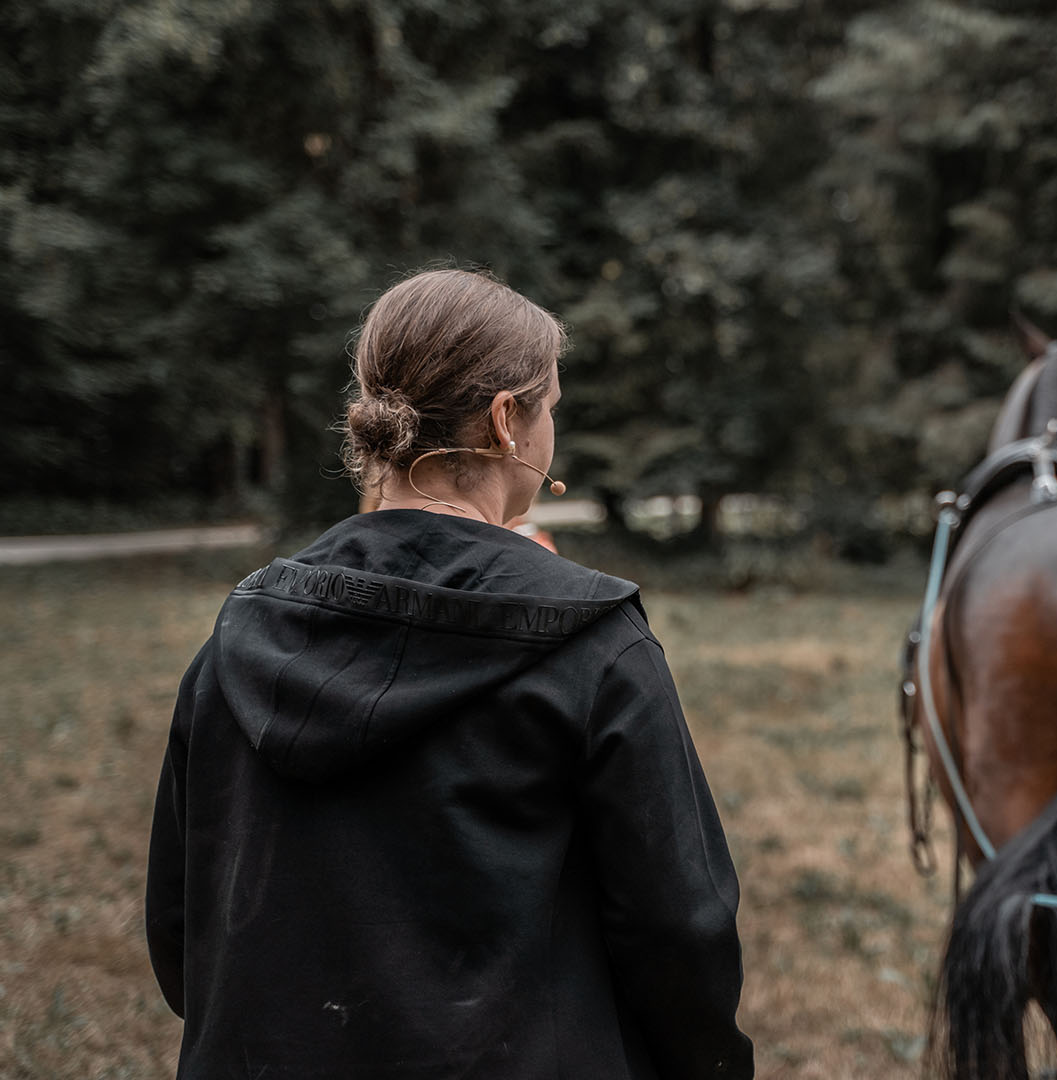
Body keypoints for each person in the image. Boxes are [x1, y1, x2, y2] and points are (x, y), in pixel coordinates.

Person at [146, 268, 755, 1079]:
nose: (550, 441)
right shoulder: (599, 649)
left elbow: (180, 931)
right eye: (552, 413)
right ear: (508, 421)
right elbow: (682, 937)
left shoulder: (238, 635)